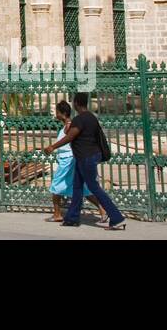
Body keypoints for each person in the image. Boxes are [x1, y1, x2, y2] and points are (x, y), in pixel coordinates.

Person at [43, 91, 126, 230]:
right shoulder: (92, 117)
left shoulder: (80, 120)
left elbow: (70, 136)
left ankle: (117, 217)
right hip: (87, 156)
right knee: (77, 187)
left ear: (76, 103)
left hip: (85, 158)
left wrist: (53, 146)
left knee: (94, 188)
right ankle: (72, 218)